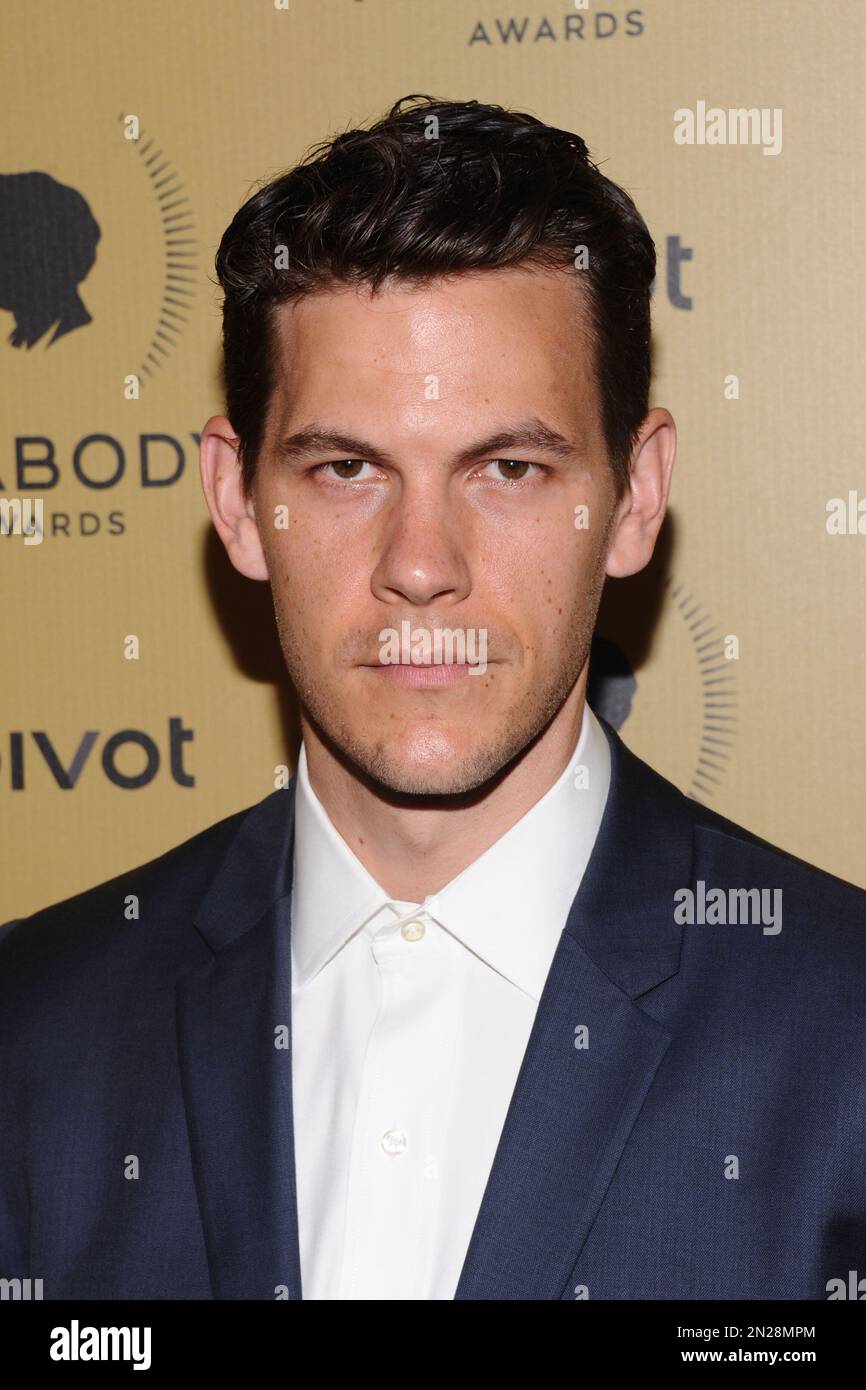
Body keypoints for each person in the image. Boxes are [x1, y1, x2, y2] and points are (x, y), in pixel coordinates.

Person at [2, 95, 865, 1302]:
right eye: (345, 468)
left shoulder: (841, 1036)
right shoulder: (32, 1039)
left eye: (508, 469)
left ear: (631, 496)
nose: (420, 561)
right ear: (239, 501)